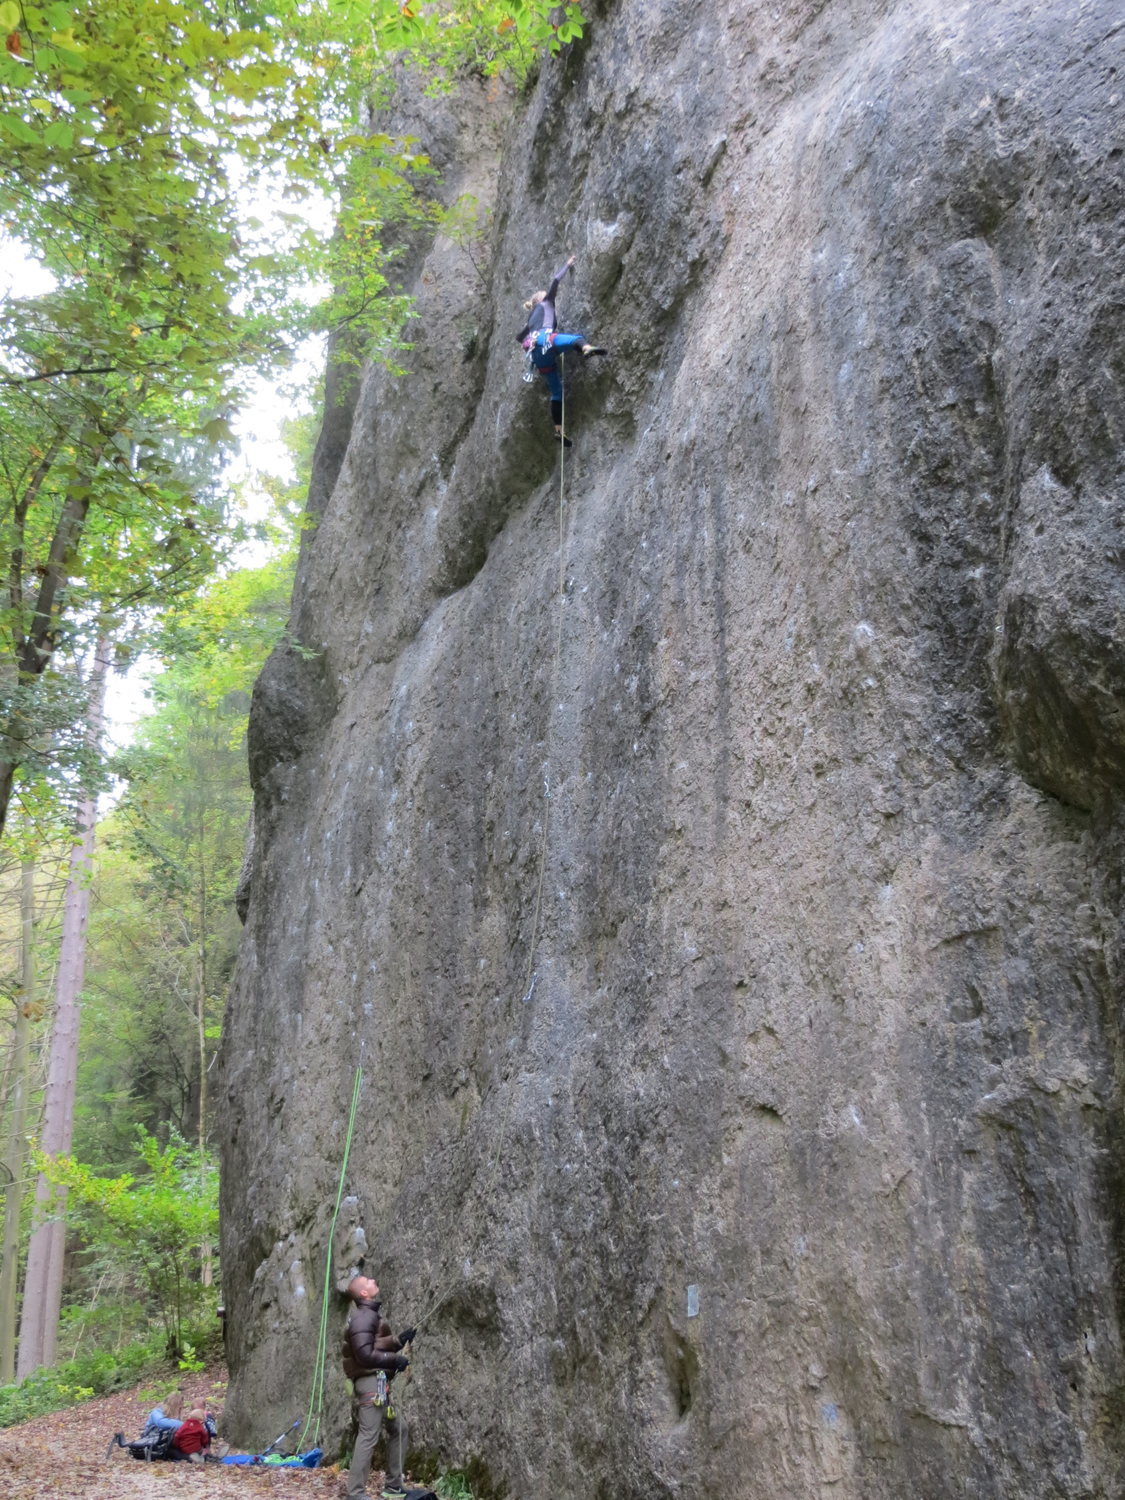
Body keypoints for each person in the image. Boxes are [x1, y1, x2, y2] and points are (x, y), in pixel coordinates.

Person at [516, 255, 606, 445]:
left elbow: (518, 338)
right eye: (544, 294)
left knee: (557, 392)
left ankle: (558, 431)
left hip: (537, 357)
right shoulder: (547, 302)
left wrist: (531, 335)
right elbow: (556, 280)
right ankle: (586, 349)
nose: (546, 294)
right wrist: (568, 264)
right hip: (545, 340)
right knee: (576, 339)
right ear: (541, 299)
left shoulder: (530, 319)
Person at [342, 1274, 416, 1500]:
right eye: (368, 1281)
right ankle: (355, 1493)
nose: (374, 1281)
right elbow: (364, 1355)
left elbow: (374, 1345)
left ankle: (393, 1486)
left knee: (399, 1428)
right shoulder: (363, 1317)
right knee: (368, 1435)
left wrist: (398, 1341)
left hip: (378, 1382)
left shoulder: (368, 1315)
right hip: (370, 1383)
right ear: (364, 1293)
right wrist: (394, 1360)